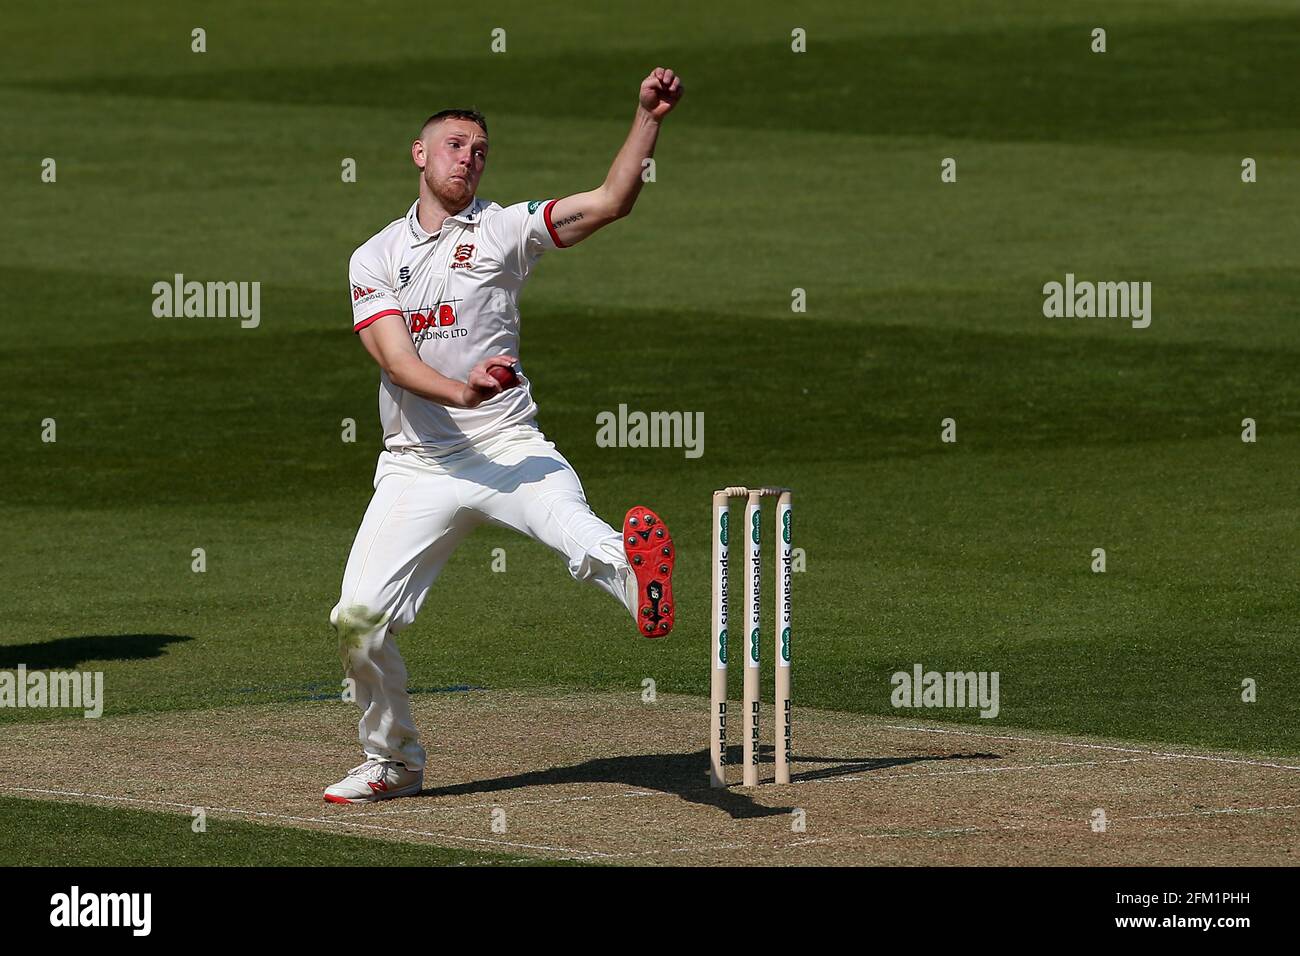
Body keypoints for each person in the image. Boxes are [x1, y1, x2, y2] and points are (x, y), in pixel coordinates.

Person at [324, 68, 686, 803]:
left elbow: (611, 202)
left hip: (508, 449)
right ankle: (392, 761)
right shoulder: (375, 256)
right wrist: (460, 387)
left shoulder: (502, 228)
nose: (469, 158)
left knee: (581, 534)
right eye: (455, 145)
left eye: (481, 150)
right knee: (358, 620)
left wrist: (647, 118)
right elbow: (395, 358)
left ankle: (640, 580)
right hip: (417, 464)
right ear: (419, 154)